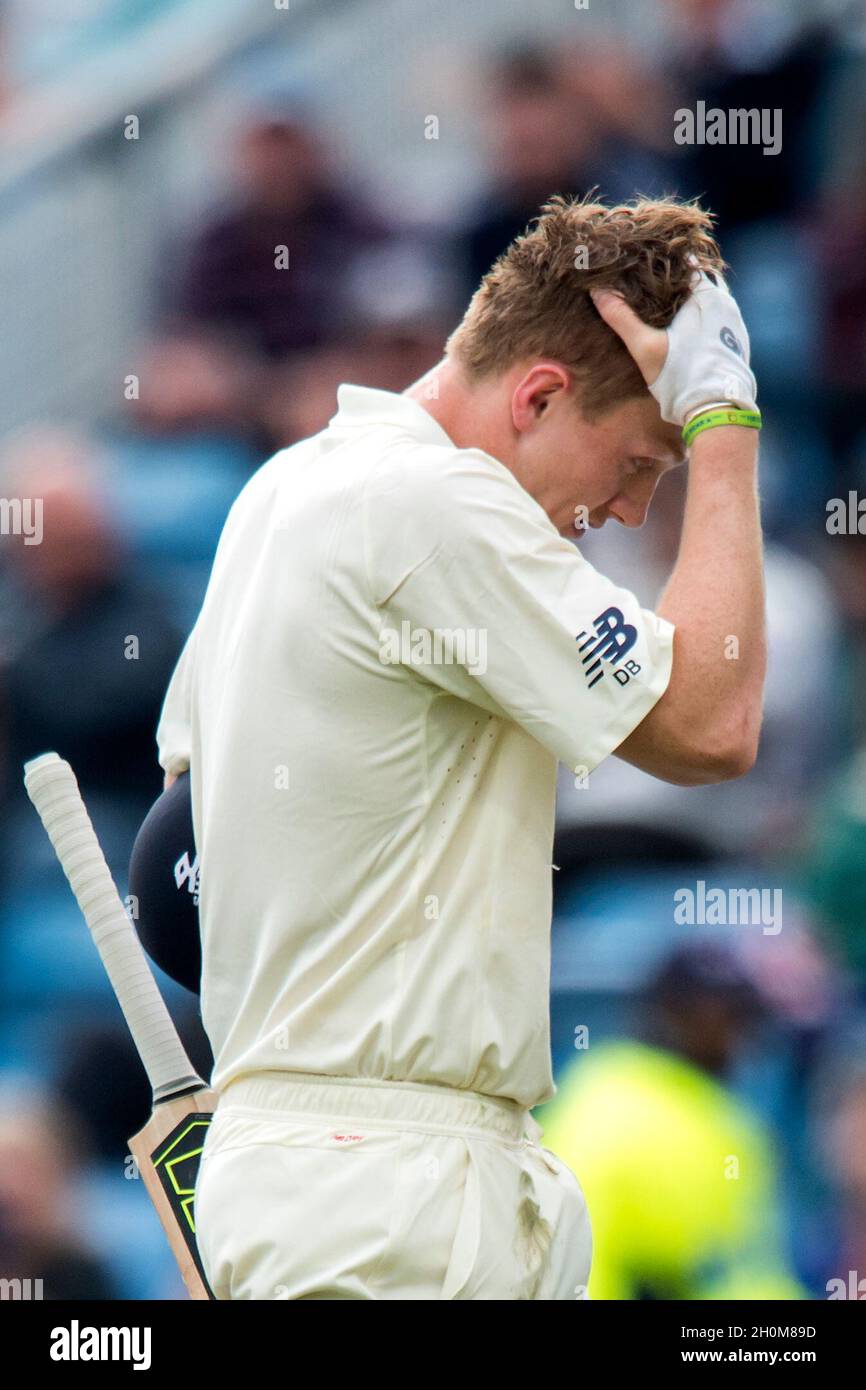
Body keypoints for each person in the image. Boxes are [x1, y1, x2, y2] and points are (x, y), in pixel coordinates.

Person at [155, 192, 766, 1300]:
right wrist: (720, 425)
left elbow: (171, 850)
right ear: (538, 394)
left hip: (344, 1178)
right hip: (388, 1195)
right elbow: (712, 723)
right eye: (637, 463)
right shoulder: (431, 502)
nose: (628, 513)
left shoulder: (279, 489)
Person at [535, 943, 807, 1300]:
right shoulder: (610, 1103)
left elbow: (750, 1269)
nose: (738, 1035)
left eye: (743, 1016)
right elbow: (575, 1256)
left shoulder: (718, 1112)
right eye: (724, 1015)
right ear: (671, 1013)